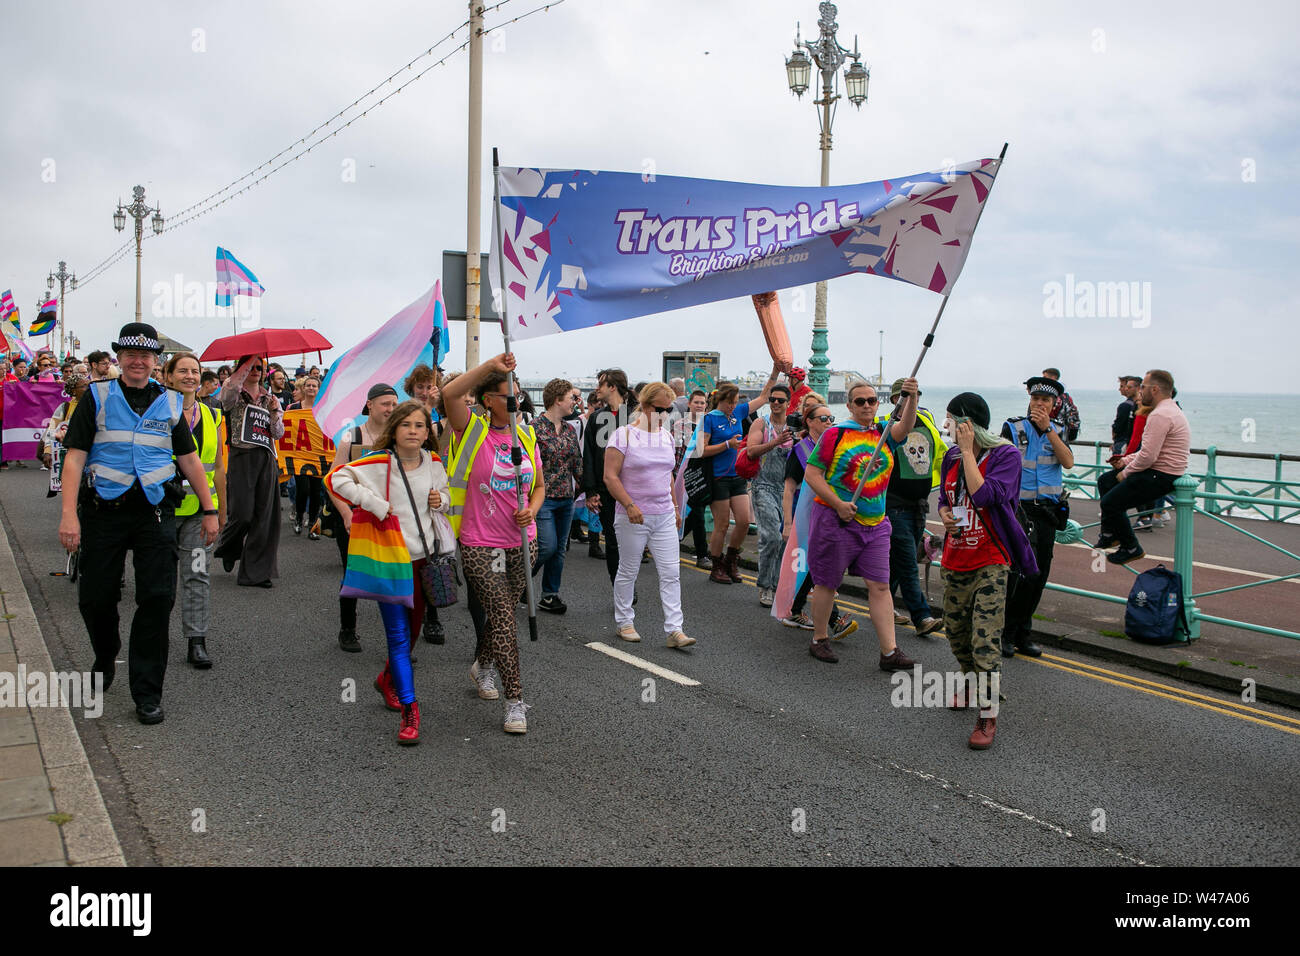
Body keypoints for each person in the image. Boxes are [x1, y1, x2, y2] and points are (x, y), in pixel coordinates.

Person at [57, 323, 218, 724]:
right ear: (119, 358)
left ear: (155, 362)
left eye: (146, 355)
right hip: (103, 511)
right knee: (95, 597)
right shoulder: (96, 396)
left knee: (157, 599)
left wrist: (210, 509)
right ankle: (106, 652)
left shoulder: (169, 403)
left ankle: (147, 692)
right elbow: (75, 457)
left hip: (154, 512)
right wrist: (68, 514)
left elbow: (189, 460)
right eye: (130, 354)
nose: (138, 362)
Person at [326, 401, 454, 745]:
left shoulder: (434, 462)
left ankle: (387, 680)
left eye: (420, 426)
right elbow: (335, 477)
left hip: (425, 562)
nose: (413, 431)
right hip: (390, 562)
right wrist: (374, 504)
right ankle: (410, 712)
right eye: (407, 425)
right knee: (399, 640)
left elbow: (446, 497)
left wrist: (440, 499)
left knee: (412, 633)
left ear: (428, 433)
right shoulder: (380, 462)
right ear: (394, 429)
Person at [443, 353, 543, 734]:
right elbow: (450, 393)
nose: (517, 403)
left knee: (505, 615)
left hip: (522, 541)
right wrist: (492, 366)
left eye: (519, 396)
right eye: (509, 396)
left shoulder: (526, 434)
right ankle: (515, 701)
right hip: (480, 542)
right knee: (501, 615)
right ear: (488, 399)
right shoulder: (471, 430)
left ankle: (483, 664)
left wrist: (531, 510)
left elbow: (539, 487)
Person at [936, 392, 1037, 750]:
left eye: (950, 419)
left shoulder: (1006, 455)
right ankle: (970, 680)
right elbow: (946, 498)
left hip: (991, 559)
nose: (946, 426)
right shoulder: (949, 456)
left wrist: (967, 452)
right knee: (957, 634)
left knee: (984, 641)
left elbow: (983, 496)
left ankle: (987, 713)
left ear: (967, 423)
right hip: (955, 557)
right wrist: (945, 515)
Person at [800, 380, 920, 666]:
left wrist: (911, 398)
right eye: (860, 401)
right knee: (827, 582)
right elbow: (812, 475)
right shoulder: (836, 435)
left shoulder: (883, 432)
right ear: (850, 405)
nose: (867, 405)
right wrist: (839, 504)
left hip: (876, 523)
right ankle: (819, 639)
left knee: (879, 586)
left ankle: (889, 652)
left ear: (878, 403)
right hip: (836, 520)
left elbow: (905, 427)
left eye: (871, 400)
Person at [603, 381, 694, 647]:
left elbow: (668, 476)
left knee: (670, 572)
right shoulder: (623, 435)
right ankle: (624, 622)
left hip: (664, 513)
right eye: (660, 409)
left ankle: (675, 629)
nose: (665, 415)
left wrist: (676, 507)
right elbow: (610, 476)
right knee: (629, 570)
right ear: (644, 405)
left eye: (669, 410)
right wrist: (630, 505)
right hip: (634, 515)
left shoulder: (666, 436)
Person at [999, 377, 1075, 658]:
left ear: (1054, 405)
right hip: (1020, 509)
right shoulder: (1013, 427)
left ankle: (1023, 633)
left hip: (1048, 512)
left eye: (1045, 400)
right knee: (1021, 574)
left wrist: (1049, 432)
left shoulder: (1060, 430)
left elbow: (1067, 461)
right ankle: (1006, 632)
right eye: (1035, 399)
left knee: (1040, 573)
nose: (1039, 404)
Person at [326, 383, 402, 650]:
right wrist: (346, 515)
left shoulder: (399, 441)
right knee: (352, 574)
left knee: (394, 577)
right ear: (369, 404)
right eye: (385, 404)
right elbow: (333, 481)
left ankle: (398, 641)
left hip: (388, 519)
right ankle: (348, 629)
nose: (390, 409)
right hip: (354, 518)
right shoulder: (352, 438)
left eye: (394, 404)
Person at [164, 353, 227, 669]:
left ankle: (197, 641)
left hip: (199, 513)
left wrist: (219, 511)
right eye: (183, 371)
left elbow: (217, 467)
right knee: (160, 581)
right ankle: (157, 636)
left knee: (197, 575)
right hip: (161, 511)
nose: (190, 376)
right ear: (169, 376)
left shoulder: (213, 416)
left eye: (195, 371)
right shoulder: (157, 410)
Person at [778, 403, 856, 638]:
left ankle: (795, 608)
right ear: (809, 422)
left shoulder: (833, 448)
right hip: (804, 516)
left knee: (815, 565)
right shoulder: (800, 449)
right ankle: (833, 619)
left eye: (831, 418)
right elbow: (789, 489)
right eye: (823, 418)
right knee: (814, 564)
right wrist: (789, 523)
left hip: (826, 513)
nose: (829, 422)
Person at [1096, 370, 1189, 564]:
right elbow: (1149, 451)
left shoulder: (1160, 414)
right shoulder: (1169, 409)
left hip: (1162, 475)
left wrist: (1125, 472)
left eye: (1143, 387)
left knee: (1110, 503)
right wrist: (1125, 461)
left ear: (1154, 389)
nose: (1140, 392)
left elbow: (1148, 456)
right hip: (1162, 471)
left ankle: (1131, 547)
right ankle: (1109, 534)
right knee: (1105, 481)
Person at [697, 367, 780, 584]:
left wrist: (774, 371)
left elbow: (763, 397)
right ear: (720, 401)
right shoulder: (709, 419)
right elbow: (701, 450)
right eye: (729, 402)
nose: (733, 406)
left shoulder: (738, 414)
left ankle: (731, 559)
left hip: (737, 476)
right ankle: (716, 565)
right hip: (718, 477)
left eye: (735, 402)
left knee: (743, 521)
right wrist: (726, 444)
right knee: (722, 524)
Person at [213, 355, 284, 587]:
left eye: (259, 367)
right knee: (242, 513)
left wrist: (274, 412)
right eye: (250, 368)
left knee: (264, 516)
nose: (255, 371)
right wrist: (246, 363)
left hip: (265, 457)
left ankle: (256, 572)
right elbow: (228, 394)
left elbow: (278, 433)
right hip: (241, 457)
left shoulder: (270, 397)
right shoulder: (232, 392)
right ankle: (229, 547)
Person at [883, 377, 946, 637]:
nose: (909, 401)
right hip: (893, 505)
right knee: (908, 561)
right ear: (894, 399)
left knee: (899, 562)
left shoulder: (929, 425)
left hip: (919, 506)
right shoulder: (885, 425)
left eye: (913, 396)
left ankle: (881, 601)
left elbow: (941, 456)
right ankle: (922, 616)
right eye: (904, 397)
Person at [532, 378, 582, 614]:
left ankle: (550, 595)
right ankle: (518, 581)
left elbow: (577, 463)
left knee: (559, 549)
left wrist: (590, 491)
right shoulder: (534, 428)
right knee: (546, 546)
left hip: (566, 498)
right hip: (543, 498)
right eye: (571, 397)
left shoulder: (571, 430)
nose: (575, 401)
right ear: (557, 400)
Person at [745, 382, 796, 606]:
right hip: (763, 485)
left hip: (788, 488)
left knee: (785, 540)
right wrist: (776, 441)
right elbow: (750, 451)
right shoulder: (760, 423)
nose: (775, 403)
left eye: (780, 400)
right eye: (772, 399)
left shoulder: (795, 424)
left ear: (788, 402)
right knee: (771, 537)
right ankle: (765, 585)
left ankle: (777, 585)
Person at [583, 368, 634, 583]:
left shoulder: (635, 416)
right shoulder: (596, 418)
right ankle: (619, 586)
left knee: (631, 542)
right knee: (612, 541)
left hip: (633, 490)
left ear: (612, 387)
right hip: (606, 490)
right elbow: (590, 456)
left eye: (601, 384)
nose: (597, 388)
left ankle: (628, 582)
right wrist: (591, 491)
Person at [671, 390, 711, 568]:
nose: (700, 406)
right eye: (696, 402)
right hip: (684, 475)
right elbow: (676, 452)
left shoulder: (708, 424)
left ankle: (673, 542)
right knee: (697, 515)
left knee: (695, 514)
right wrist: (674, 474)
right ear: (689, 404)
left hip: (702, 477)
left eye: (703, 403)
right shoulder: (681, 425)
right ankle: (702, 555)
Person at [41, 364, 91, 493]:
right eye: (84, 386)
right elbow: (52, 429)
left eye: (89, 385)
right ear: (73, 390)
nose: (88, 388)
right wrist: (47, 450)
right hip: (70, 454)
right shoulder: (65, 407)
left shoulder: (95, 406)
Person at [286, 377, 324, 539]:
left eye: (314, 386)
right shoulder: (293, 408)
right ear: (303, 388)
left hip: (318, 455)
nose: (310, 388)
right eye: (308, 385)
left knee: (316, 491)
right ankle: (300, 517)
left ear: (318, 389)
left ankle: (313, 522)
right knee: (303, 489)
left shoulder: (324, 408)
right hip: (299, 455)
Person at [1041, 367, 1080, 442]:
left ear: (1053, 377)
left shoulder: (1052, 397)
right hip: (1065, 433)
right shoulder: (1066, 396)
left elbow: (1047, 415)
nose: (1043, 380)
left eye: (1045, 377)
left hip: (1052, 433)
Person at [1112, 375, 1141, 455]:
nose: (1124, 389)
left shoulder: (1125, 405)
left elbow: (1117, 426)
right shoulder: (1136, 405)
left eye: (1123, 386)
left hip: (1124, 442)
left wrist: (1115, 440)